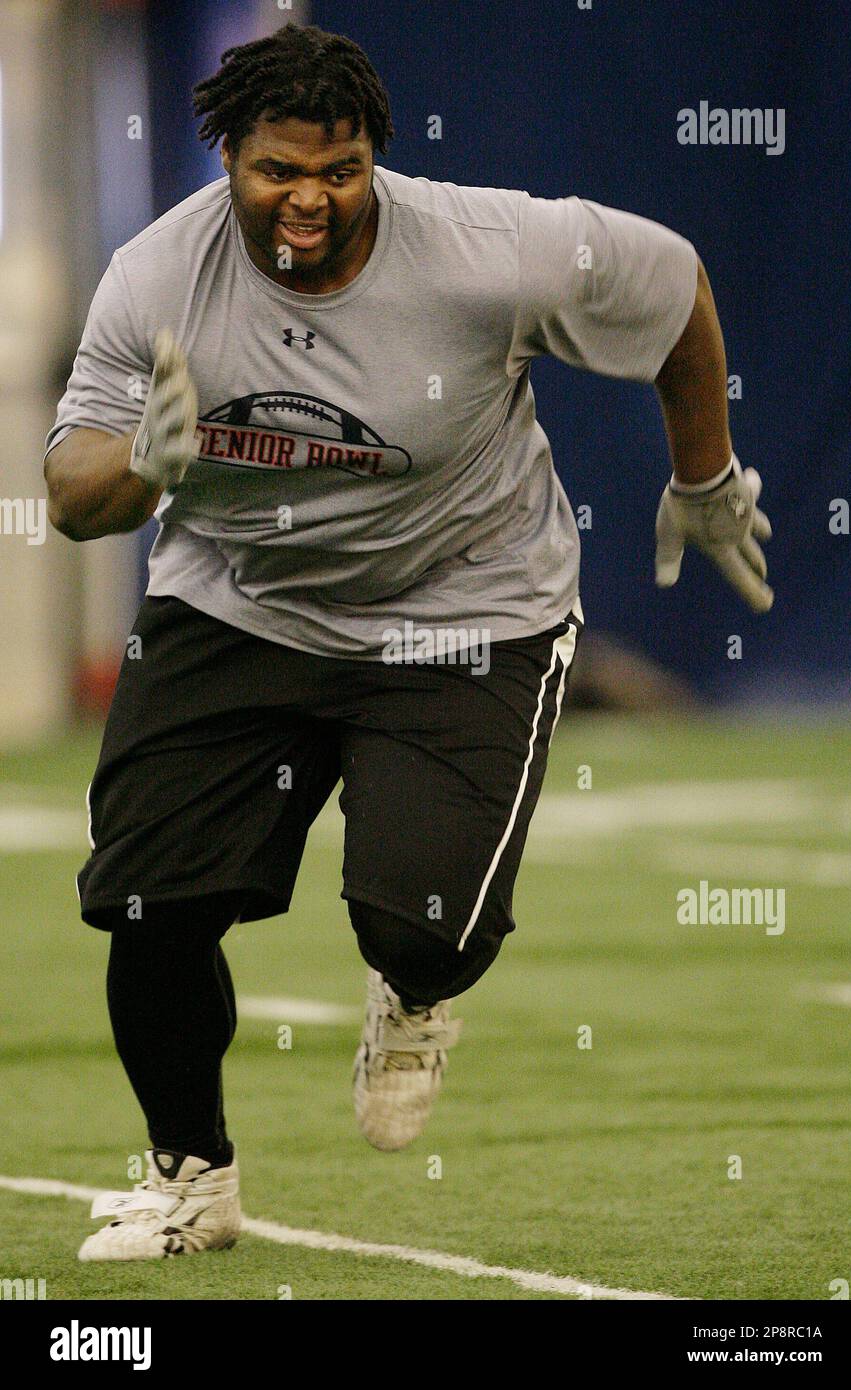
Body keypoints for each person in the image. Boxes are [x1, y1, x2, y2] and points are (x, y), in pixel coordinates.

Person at [43, 22, 772, 1262]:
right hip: (242, 597)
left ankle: (412, 990)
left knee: (421, 924)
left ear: (375, 155)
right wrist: (148, 464)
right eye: (280, 169)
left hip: (463, 605)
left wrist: (701, 477)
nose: (311, 198)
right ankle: (190, 1177)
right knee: (146, 904)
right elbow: (69, 494)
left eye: (341, 169)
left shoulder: (488, 250)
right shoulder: (157, 275)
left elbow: (674, 286)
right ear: (226, 155)